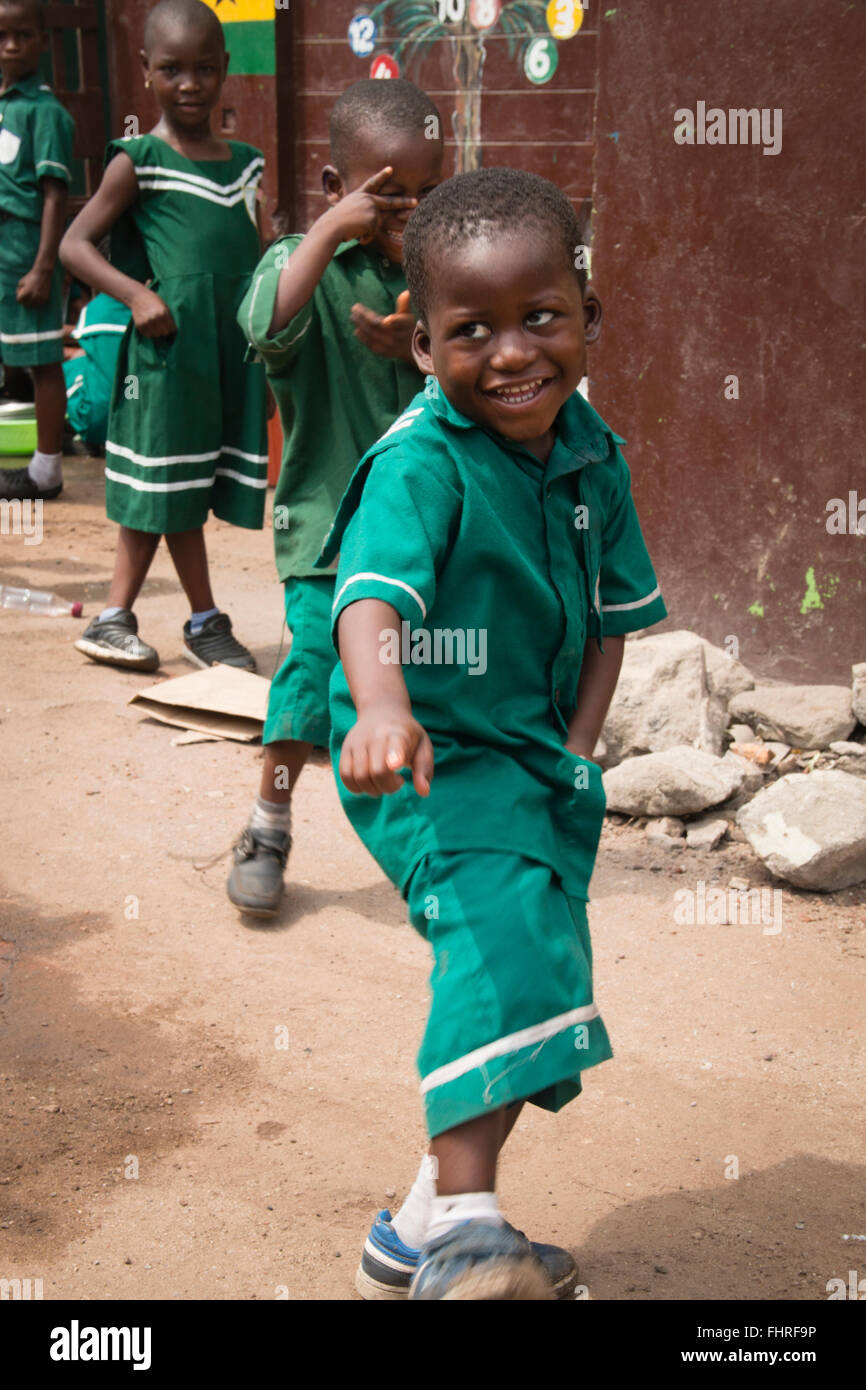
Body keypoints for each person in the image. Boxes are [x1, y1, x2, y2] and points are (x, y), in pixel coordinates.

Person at [321, 168, 668, 1300]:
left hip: (529, 756)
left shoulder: (591, 455)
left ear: (586, 320)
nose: (512, 352)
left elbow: (611, 625)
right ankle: (470, 1230)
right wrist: (382, 706)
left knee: (541, 971)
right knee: (498, 940)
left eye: (540, 319)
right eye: (470, 330)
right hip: (422, 750)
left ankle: (416, 1223)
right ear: (422, 347)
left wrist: (575, 749)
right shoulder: (421, 464)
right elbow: (369, 602)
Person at [226, 78, 443, 915]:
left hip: (426, 532)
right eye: (390, 194)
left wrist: (416, 348)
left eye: (430, 192)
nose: (412, 212)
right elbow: (263, 327)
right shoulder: (302, 263)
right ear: (336, 186)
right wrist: (324, 234)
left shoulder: (440, 268)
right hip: (327, 532)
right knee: (312, 670)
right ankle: (269, 818)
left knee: (439, 677)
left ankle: (446, 844)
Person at [60, 0, 267, 673]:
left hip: (223, 357)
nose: (189, 83)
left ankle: (118, 618)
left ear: (224, 70)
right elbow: (75, 244)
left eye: (204, 68)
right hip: (166, 356)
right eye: (172, 68)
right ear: (145, 71)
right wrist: (137, 295)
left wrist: (264, 354)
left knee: (177, 486)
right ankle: (201, 622)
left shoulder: (245, 166)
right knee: (167, 486)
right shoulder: (138, 159)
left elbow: (257, 261)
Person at [0, 0, 74, 502]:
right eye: (2, 35)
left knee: (42, 359)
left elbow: (53, 193)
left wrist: (44, 266)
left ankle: (47, 470)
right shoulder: (4, 105)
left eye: (22, 36)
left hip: (28, 252)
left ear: (42, 42)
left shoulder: (44, 113)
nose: (10, 46)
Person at [62, 291, 131, 452]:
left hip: (96, 426)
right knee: (131, 380)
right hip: (140, 424)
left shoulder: (102, 308)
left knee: (59, 370)